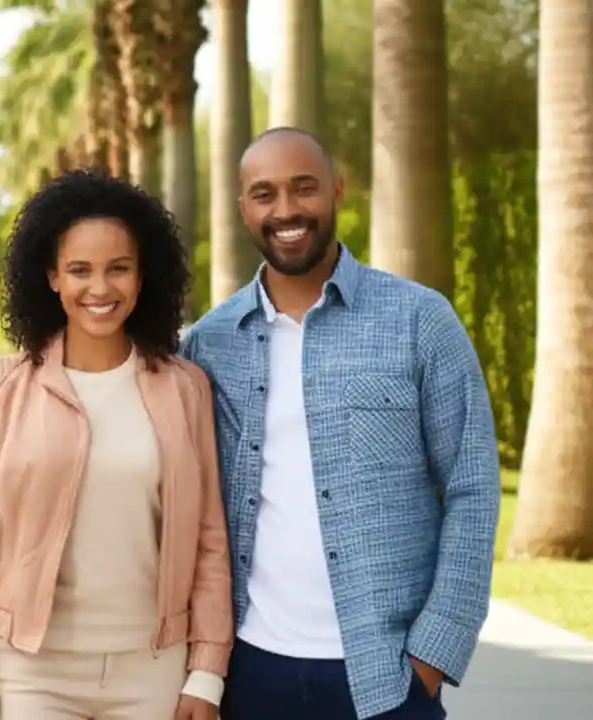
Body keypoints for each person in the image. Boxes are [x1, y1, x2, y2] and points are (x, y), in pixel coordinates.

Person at [180, 126, 501, 719]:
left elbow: (473, 486)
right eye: (264, 193)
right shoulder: (209, 343)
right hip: (250, 671)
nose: (286, 210)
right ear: (243, 207)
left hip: (388, 675)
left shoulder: (419, 320)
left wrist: (436, 650)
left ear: (337, 191)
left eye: (304, 188)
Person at [0, 169, 233, 720]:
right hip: (31, 670)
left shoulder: (184, 388)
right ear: (51, 276)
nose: (100, 289)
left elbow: (209, 541)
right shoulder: (0, 387)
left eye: (118, 269)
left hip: (154, 669)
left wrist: (206, 673)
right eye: (80, 270)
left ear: (143, 277)